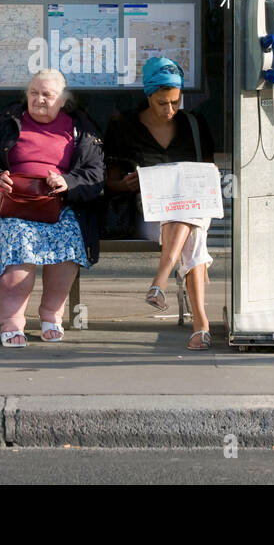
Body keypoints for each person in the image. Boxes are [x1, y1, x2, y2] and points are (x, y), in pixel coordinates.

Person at [0, 70, 105, 347]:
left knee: (69, 241)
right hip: (13, 205)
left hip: (60, 205)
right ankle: (11, 321)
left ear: (63, 100)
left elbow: (95, 175)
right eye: (34, 93)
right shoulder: (8, 122)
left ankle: (51, 315)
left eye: (48, 95)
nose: (39, 99)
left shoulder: (81, 128)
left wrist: (68, 182)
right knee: (18, 241)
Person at [104, 57, 217, 350]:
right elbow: (110, 180)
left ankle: (161, 281)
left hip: (193, 209)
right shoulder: (125, 126)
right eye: (162, 103)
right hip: (147, 213)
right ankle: (200, 323)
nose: (170, 111)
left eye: (176, 103)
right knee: (193, 234)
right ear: (148, 96)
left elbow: (206, 175)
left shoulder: (194, 124)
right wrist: (124, 184)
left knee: (187, 216)